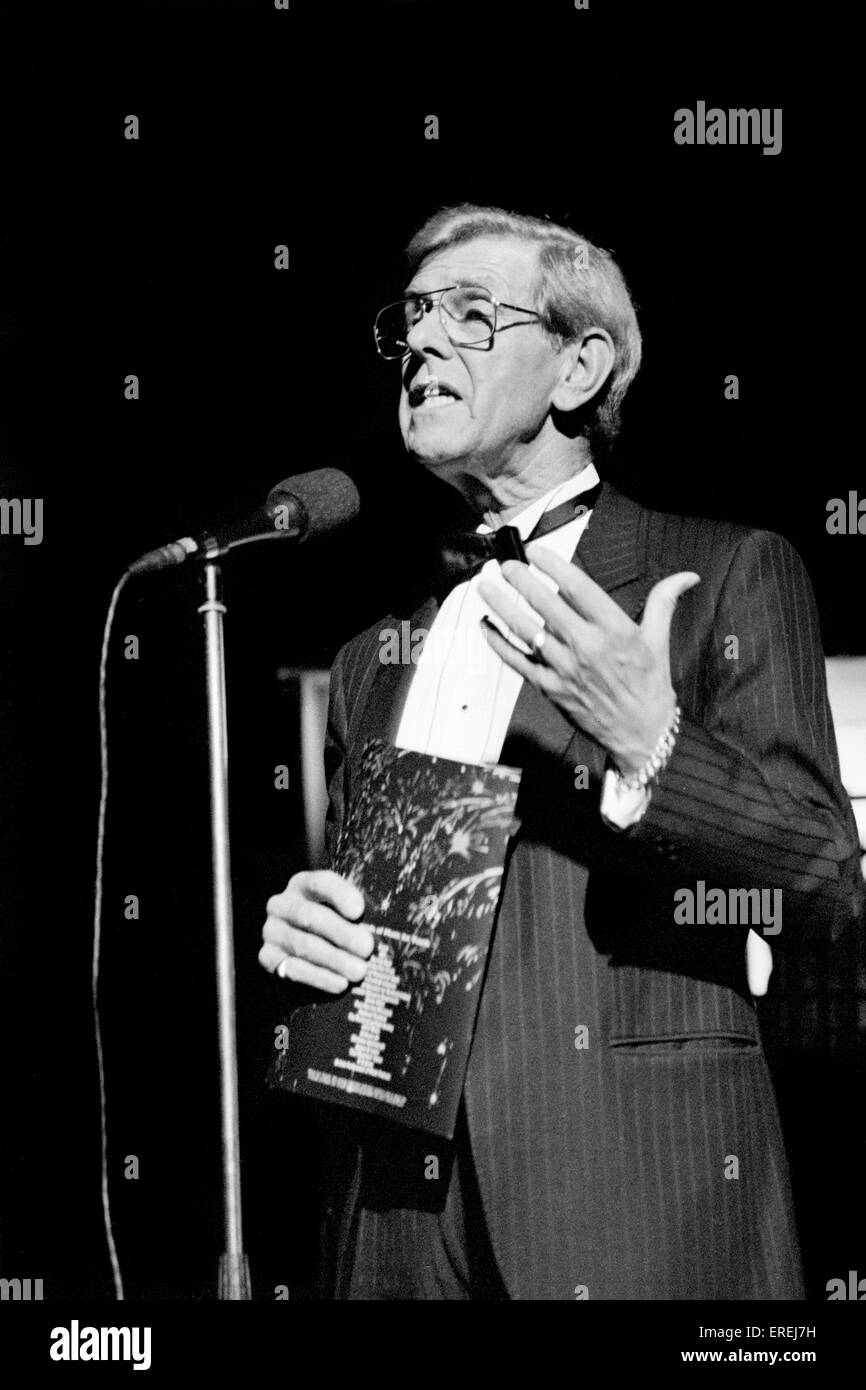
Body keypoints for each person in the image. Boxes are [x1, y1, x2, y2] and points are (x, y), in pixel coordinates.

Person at [259, 204, 864, 1300]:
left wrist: (653, 746)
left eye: (472, 314)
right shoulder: (367, 660)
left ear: (580, 367)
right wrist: (308, 940)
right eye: (413, 320)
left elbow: (824, 875)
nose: (423, 344)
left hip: (625, 1189)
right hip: (393, 1213)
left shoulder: (724, 572)